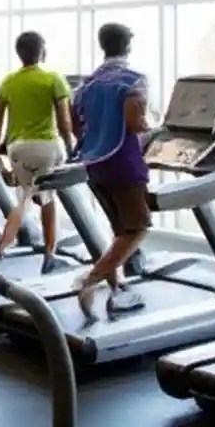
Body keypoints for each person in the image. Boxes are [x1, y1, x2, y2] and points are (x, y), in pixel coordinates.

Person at [70, 23, 150, 319]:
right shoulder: (132, 81)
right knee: (137, 228)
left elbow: (75, 122)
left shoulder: (87, 84)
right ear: (128, 46)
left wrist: (92, 140)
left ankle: (118, 288)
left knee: (119, 229)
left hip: (95, 163)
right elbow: (135, 123)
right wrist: (153, 128)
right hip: (123, 161)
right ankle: (89, 280)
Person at [0, 31, 74, 272]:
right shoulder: (53, 79)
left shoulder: (8, 82)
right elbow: (64, 122)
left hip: (18, 148)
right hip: (47, 147)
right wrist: (71, 148)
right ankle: (50, 253)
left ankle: (1, 247)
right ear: (42, 51)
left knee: (25, 198)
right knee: (47, 200)